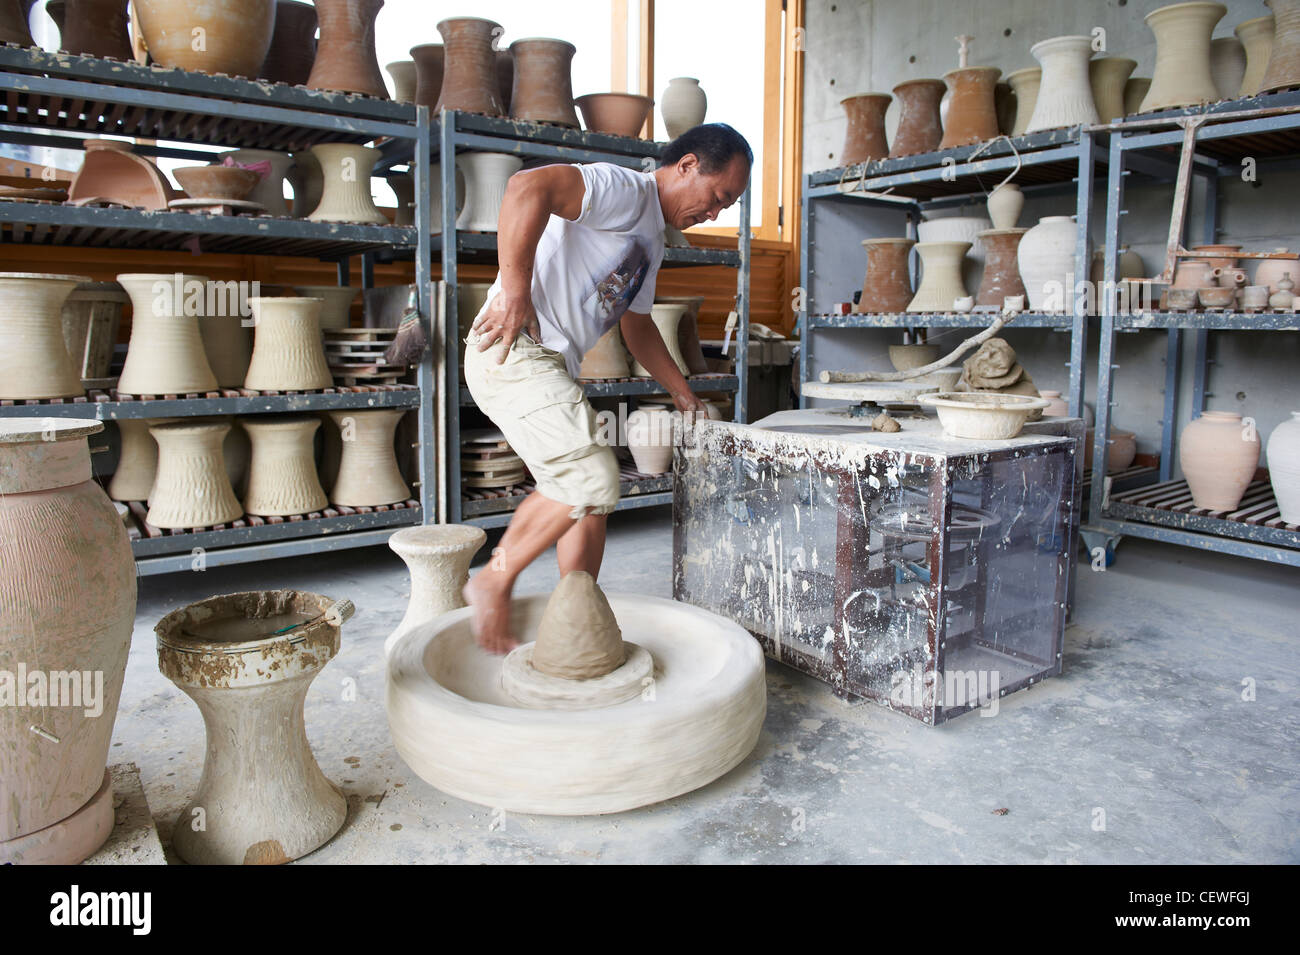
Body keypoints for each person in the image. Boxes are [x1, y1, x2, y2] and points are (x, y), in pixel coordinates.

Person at [461, 123, 753, 653]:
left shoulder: (651, 239)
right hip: (512, 351)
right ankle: (492, 579)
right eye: (717, 198)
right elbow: (526, 187)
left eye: (725, 209)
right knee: (590, 476)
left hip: (543, 366)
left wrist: (682, 393)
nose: (714, 215)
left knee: (588, 503)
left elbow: (637, 327)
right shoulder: (625, 190)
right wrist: (513, 289)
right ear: (687, 166)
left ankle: (577, 613)